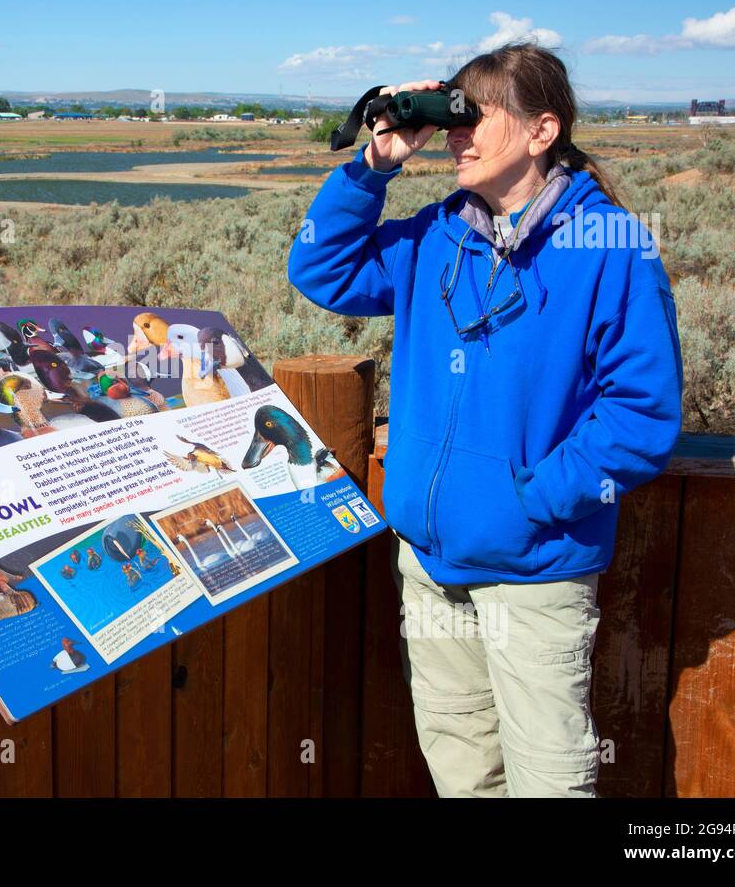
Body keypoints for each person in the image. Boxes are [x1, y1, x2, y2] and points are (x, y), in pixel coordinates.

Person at [287, 42, 684, 797]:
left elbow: (641, 415)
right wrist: (376, 166)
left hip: (534, 572)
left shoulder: (610, 248)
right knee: (464, 774)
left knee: (548, 781)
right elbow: (320, 268)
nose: (459, 133)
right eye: (452, 114)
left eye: (477, 115)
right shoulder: (439, 235)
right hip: (430, 566)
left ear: (542, 131)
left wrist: (530, 501)